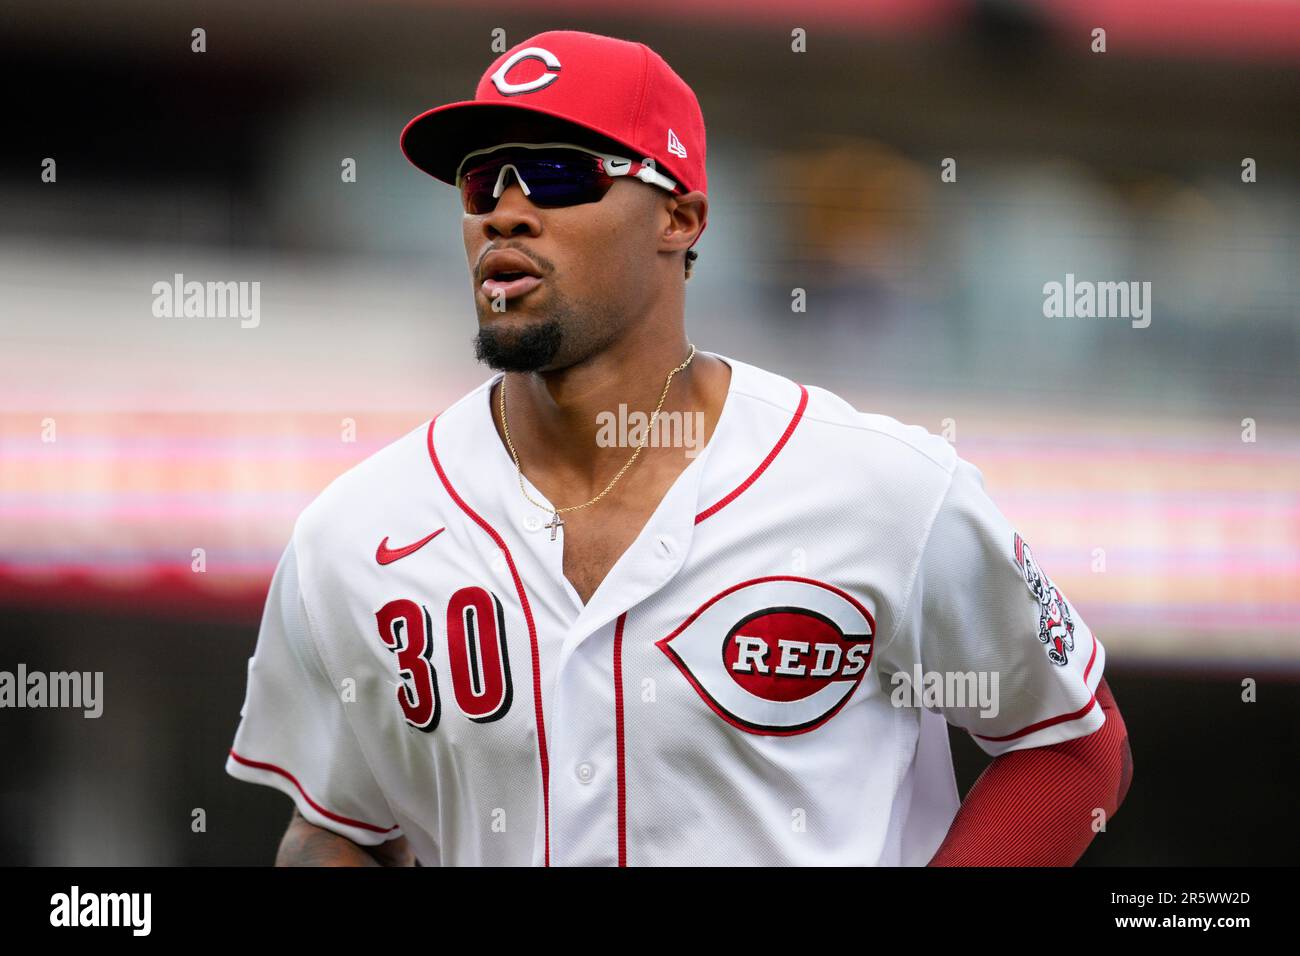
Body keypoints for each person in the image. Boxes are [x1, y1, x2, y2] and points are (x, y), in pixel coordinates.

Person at [225, 30, 1131, 867]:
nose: (504, 213)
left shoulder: (882, 489)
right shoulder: (354, 534)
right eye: (480, 183)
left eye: (553, 173)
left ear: (681, 217)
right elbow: (337, 830)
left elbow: (1073, 748)